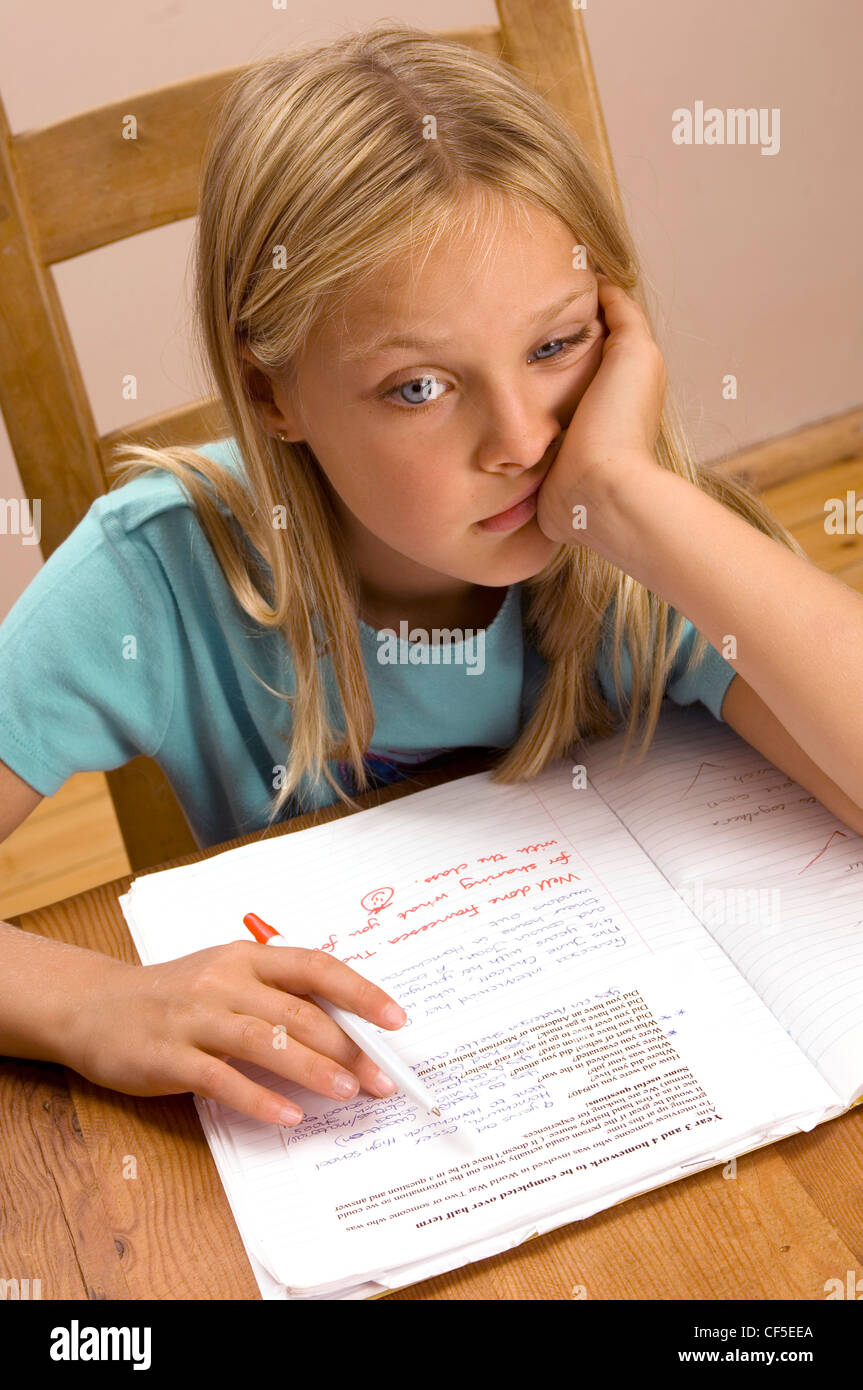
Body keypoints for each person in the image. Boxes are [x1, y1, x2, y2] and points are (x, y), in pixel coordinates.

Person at [2, 23, 861, 1131]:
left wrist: (635, 499)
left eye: (554, 346)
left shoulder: (644, 545)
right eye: (417, 387)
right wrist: (89, 1003)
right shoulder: (158, 574)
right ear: (272, 393)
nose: (520, 437)